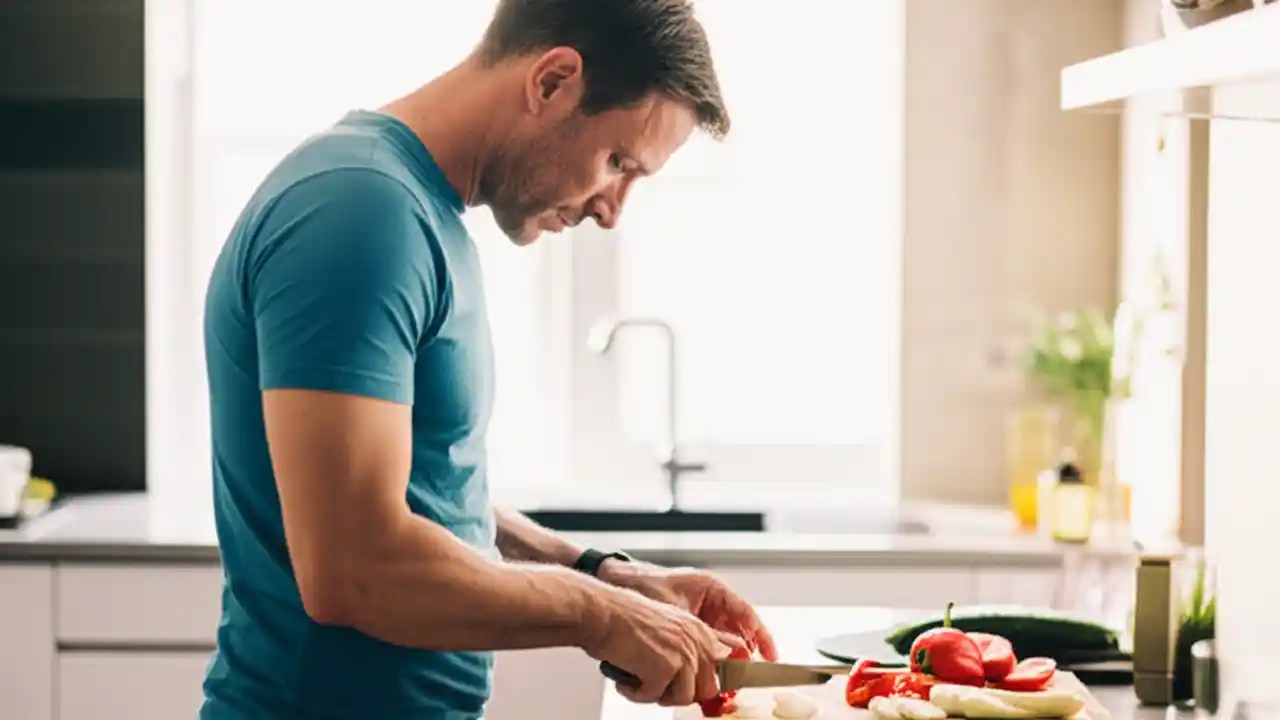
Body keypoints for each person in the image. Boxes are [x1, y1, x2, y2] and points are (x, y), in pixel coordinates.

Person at [199, 1, 776, 717]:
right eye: (617, 161)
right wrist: (601, 614)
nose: (612, 210)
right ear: (553, 81)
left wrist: (607, 576)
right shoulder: (359, 213)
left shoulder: (412, 212)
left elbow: (428, 496)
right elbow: (354, 568)